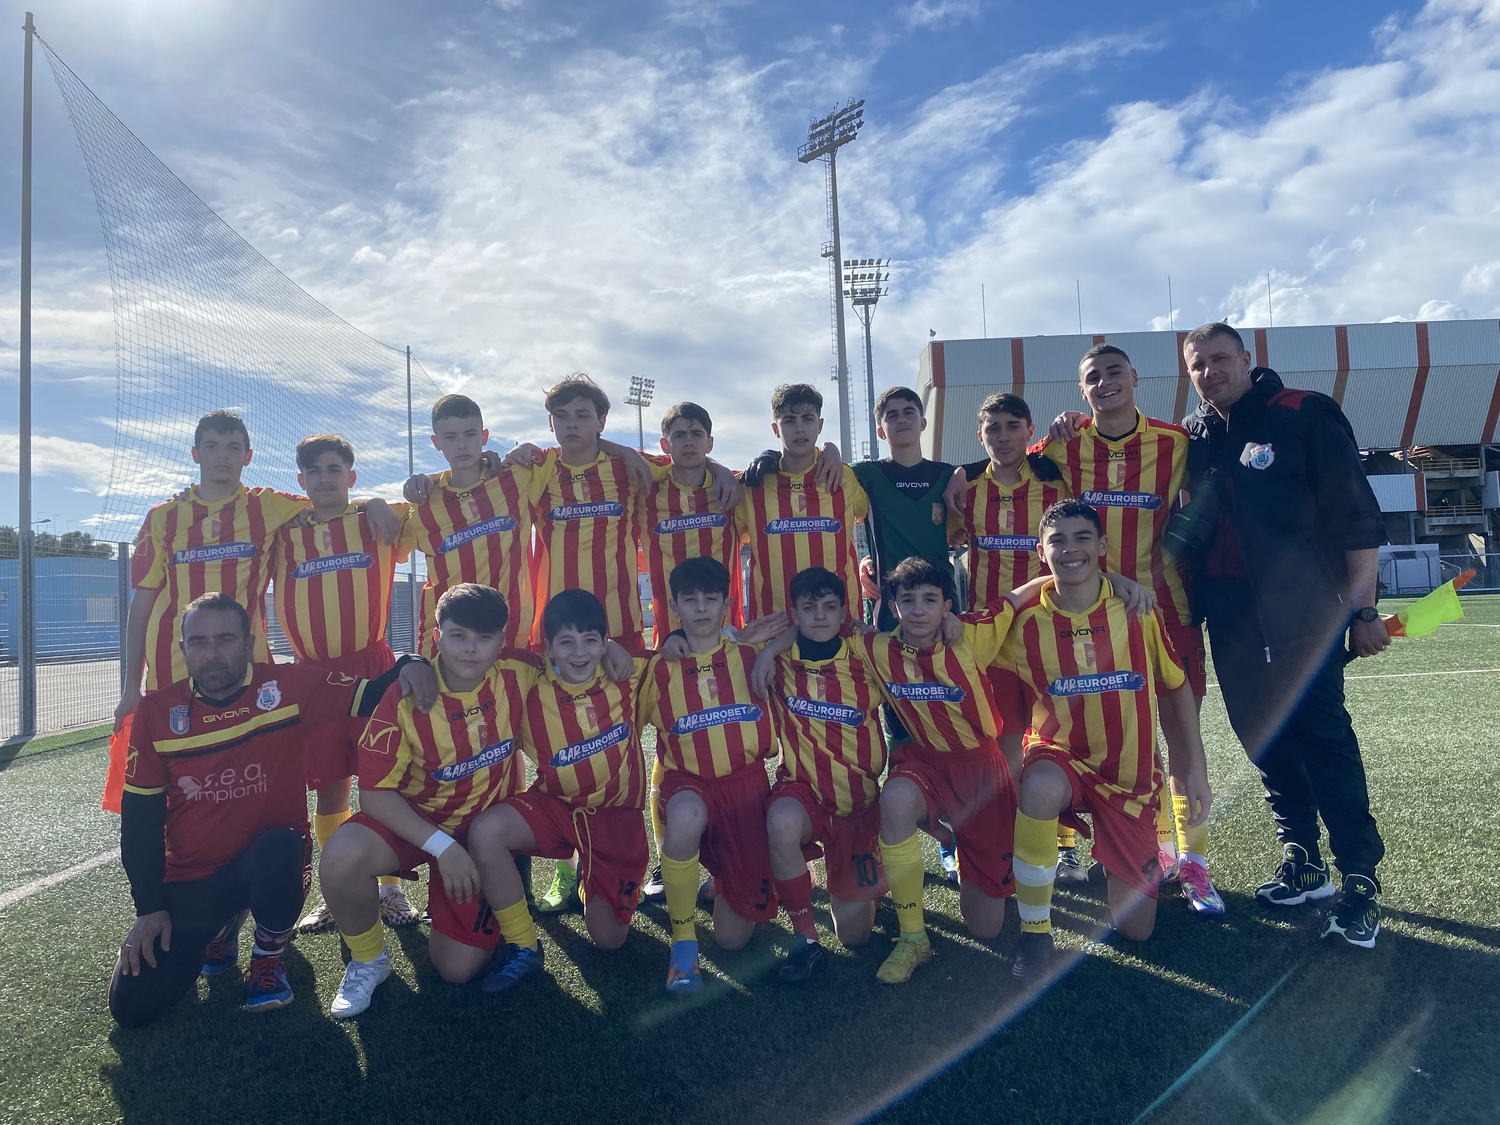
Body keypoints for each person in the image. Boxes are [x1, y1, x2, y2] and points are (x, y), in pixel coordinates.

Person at [108, 591, 430, 1026]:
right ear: (183, 649)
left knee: (281, 845)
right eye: (198, 642)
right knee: (132, 1006)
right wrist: (148, 909)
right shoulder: (156, 713)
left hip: (270, 862)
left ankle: (267, 955)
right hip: (193, 879)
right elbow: (141, 821)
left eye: (224, 638)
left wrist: (413, 660)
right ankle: (220, 926)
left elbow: (375, 693)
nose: (211, 653)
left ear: (249, 642)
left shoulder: (286, 686)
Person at [1178, 322, 1388, 948]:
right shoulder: (1195, 436)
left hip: (1307, 616)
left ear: (1247, 359)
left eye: (1220, 359)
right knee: (1261, 736)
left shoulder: (1303, 413)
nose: (1210, 371)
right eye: (1198, 364)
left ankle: (1359, 883)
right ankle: (1303, 859)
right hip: (1232, 617)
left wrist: (1364, 611)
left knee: (1324, 742)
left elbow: (1356, 515)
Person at [106, 410, 400, 808]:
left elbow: (329, 498)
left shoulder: (269, 507)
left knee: (257, 780)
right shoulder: (163, 518)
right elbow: (141, 604)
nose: (222, 456)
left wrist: (374, 500)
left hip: (250, 670)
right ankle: (183, 865)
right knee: (176, 787)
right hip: (173, 670)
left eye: (233, 447)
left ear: (248, 456)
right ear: (196, 453)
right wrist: (130, 689)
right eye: (212, 446)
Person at [1029, 345, 1225, 916]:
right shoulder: (1066, 444)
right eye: (1094, 377)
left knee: (1184, 738)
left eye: (1115, 372)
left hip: (1165, 608)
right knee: (1079, 727)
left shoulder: (1175, 441)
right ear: (1081, 391)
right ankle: (1080, 846)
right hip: (1090, 616)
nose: (1106, 382)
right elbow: (1006, 459)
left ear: (1136, 378)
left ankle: (1195, 864)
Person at [1002, 500, 1213, 984]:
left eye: (1081, 538)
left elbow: (1175, 687)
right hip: (1061, 759)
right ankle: (1035, 932)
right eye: (1057, 540)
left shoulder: (1137, 610)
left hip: (1130, 776)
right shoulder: (1024, 626)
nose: (1070, 549)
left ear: (1101, 547)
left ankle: (1115, 858)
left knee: (1136, 930)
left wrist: (1194, 768)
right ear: (1041, 552)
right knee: (1037, 789)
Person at [318, 584, 542, 1016]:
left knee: (457, 970)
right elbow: (375, 794)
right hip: (414, 823)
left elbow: (576, 662)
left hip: (478, 833)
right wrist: (442, 848)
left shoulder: (519, 670)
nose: (471, 649)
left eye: (484, 637)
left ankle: (490, 906)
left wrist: (611, 651)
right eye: (458, 636)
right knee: (342, 855)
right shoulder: (405, 695)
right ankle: (369, 960)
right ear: (437, 636)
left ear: (502, 639)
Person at [270, 433, 421, 933]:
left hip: (372, 668)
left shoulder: (375, 520)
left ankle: (391, 889)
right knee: (330, 788)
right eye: (315, 471)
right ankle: (336, 893)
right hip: (312, 678)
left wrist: (377, 501)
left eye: (335, 469)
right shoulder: (282, 531)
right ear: (301, 481)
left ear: (351, 477)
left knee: (384, 779)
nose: (325, 478)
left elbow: (427, 510)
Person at [464, 589, 649, 990]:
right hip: (557, 808)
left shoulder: (627, 676)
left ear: (604, 643)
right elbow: (474, 656)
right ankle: (524, 944)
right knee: (486, 831)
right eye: (566, 642)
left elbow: (683, 656)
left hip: (617, 819)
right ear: (548, 648)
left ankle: (591, 877)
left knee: (608, 940)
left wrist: (617, 647)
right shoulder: (528, 685)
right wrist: (412, 664)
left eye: (590, 640)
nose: (579, 652)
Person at [945, 393, 1078, 879]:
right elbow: (933, 538)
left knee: (1058, 741)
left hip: (1050, 631)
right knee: (1001, 744)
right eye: (992, 429)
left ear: (1029, 429)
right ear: (980, 436)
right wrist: (867, 562)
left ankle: (1063, 845)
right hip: (992, 639)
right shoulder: (964, 487)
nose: (1002, 437)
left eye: (1011, 427)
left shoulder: (1054, 481)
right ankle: (1005, 842)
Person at [637, 557, 781, 993]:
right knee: (682, 816)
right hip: (690, 783)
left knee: (733, 940)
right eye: (690, 600)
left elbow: (805, 629)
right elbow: (615, 694)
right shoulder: (659, 668)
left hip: (746, 787)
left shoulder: (750, 654)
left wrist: (767, 646)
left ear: (727, 604)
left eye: (710, 598)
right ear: (676, 608)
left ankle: (723, 880)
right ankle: (682, 949)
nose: (701, 607)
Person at [760, 567, 889, 983]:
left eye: (829, 607)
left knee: (854, 937)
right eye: (809, 608)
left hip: (857, 804)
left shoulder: (865, 655)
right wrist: (764, 652)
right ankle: (806, 942)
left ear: (843, 612)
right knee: (779, 822)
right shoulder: (778, 659)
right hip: (803, 792)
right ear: (794, 614)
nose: (819, 616)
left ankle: (866, 879)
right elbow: (722, 644)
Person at [400, 394, 537, 652]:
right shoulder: (421, 504)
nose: (461, 444)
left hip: (510, 638)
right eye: (450, 437)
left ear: (484, 437)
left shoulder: (515, 479)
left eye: (470, 434)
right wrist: (370, 502)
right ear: (436, 442)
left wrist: (524, 447)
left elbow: (560, 455)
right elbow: (366, 518)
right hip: (446, 645)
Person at [739, 383, 869, 623]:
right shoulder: (752, 484)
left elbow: (868, 517)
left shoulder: (843, 477)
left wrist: (868, 562)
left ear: (820, 425)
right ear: (775, 430)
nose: (799, 428)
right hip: (774, 625)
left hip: (840, 623)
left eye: (807, 419)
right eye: (788, 420)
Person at [851, 387, 956, 632]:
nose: (901, 419)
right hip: (888, 606)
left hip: (940, 603)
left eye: (909, 412)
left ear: (922, 423)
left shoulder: (947, 475)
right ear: (880, 431)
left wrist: (961, 473)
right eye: (892, 415)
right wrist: (862, 562)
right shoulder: (865, 474)